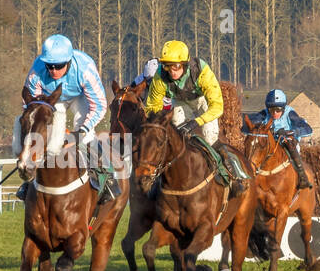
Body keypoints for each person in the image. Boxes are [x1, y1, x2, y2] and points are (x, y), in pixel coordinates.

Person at [17, 33, 119, 203]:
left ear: (69, 62)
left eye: (58, 66)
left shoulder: (85, 70)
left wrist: (81, 132)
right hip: (50, 100)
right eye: (49, 66)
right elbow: (30, 107)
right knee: (41, 134)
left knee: (85, 133)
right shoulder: (36, 71)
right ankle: (29, 179)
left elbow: (99, 106)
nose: (53, 71)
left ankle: (107, 175)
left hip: (80, 96)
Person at [144, 40, 249, 195]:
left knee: (210, 137)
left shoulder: (202, 71)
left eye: (176, 66)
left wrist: (195, 123)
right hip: (180, 102)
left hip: (204, 102)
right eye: (167, 66)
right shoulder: (160, 76)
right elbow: (152, 107)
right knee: (175, 137)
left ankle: (234, 176)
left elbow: (217, 107)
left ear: (185, 64)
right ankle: (160, 179)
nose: (172, 71)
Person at [248, 88, 313, 189]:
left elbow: (307, 128)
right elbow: (250, 121)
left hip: (288, 142)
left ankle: (302, 176)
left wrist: (293, 132)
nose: (274, 113)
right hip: (270, 142)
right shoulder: (265, 113)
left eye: (278, 110)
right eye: (271, 110)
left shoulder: (290, 113)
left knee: (290, 144)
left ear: (283, 108)